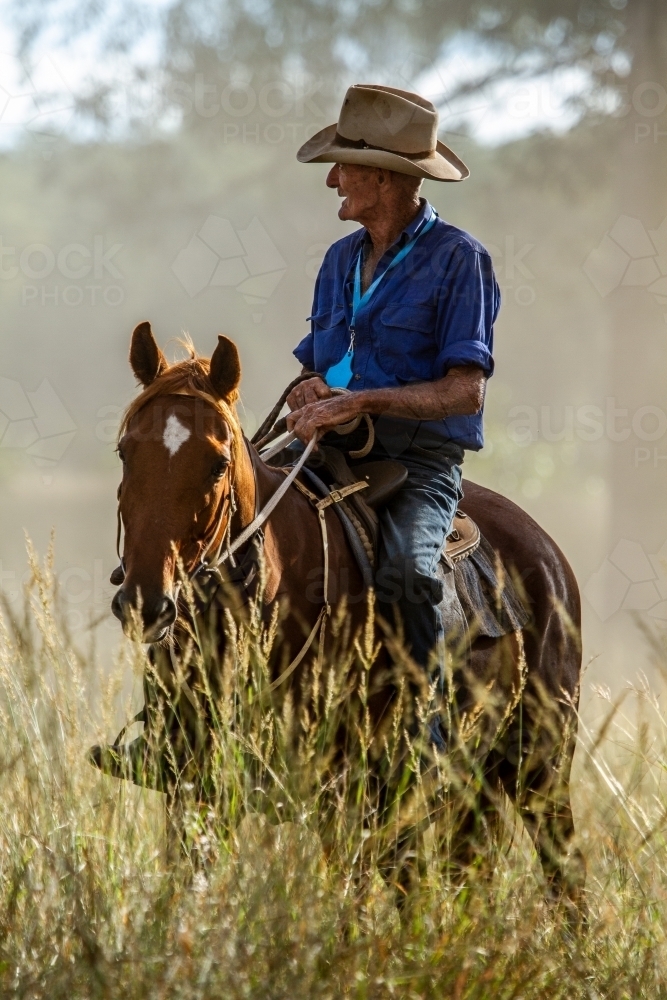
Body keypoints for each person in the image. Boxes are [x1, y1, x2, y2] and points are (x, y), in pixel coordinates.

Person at [286, 84, 499, 674]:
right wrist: (310, 387)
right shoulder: (338, 260)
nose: (333, 182)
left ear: (383, 179)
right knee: (219, 517)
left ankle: (422, 742)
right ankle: (172, 728)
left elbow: (465, 390)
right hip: (323, 446)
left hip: (418, 462)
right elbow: (318, 362)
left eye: (343, 170)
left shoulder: (461, 260)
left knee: (406, 574)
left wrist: (363, 402)